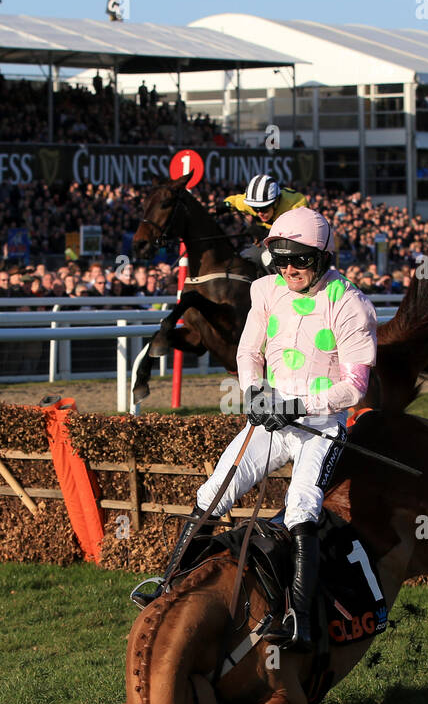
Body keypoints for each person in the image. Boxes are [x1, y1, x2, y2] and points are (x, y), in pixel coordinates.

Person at [133, 208, 377, 652]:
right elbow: (249, 352)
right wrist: (256, 394)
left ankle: (299, 618)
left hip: (320, 426)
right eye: (281, 260)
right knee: (214, 490)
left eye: (299, 261)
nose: (288, 270)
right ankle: (167, 585)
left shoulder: (350, 302)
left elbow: (355, 387)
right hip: (271, 418)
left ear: (322, 258)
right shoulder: (266, 290)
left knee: (301, 505)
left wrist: (297, 405)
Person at [219, 174, 308, 270]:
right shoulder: (248, 203)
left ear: (276, 201)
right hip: (267, 238)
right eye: (255, 209)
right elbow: (234, 201)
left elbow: (299, 234)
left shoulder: (294, 206)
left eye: (264, 208)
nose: (260, 213)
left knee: (268, 259)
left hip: (292, 241)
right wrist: (224, 205)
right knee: (243, 258)